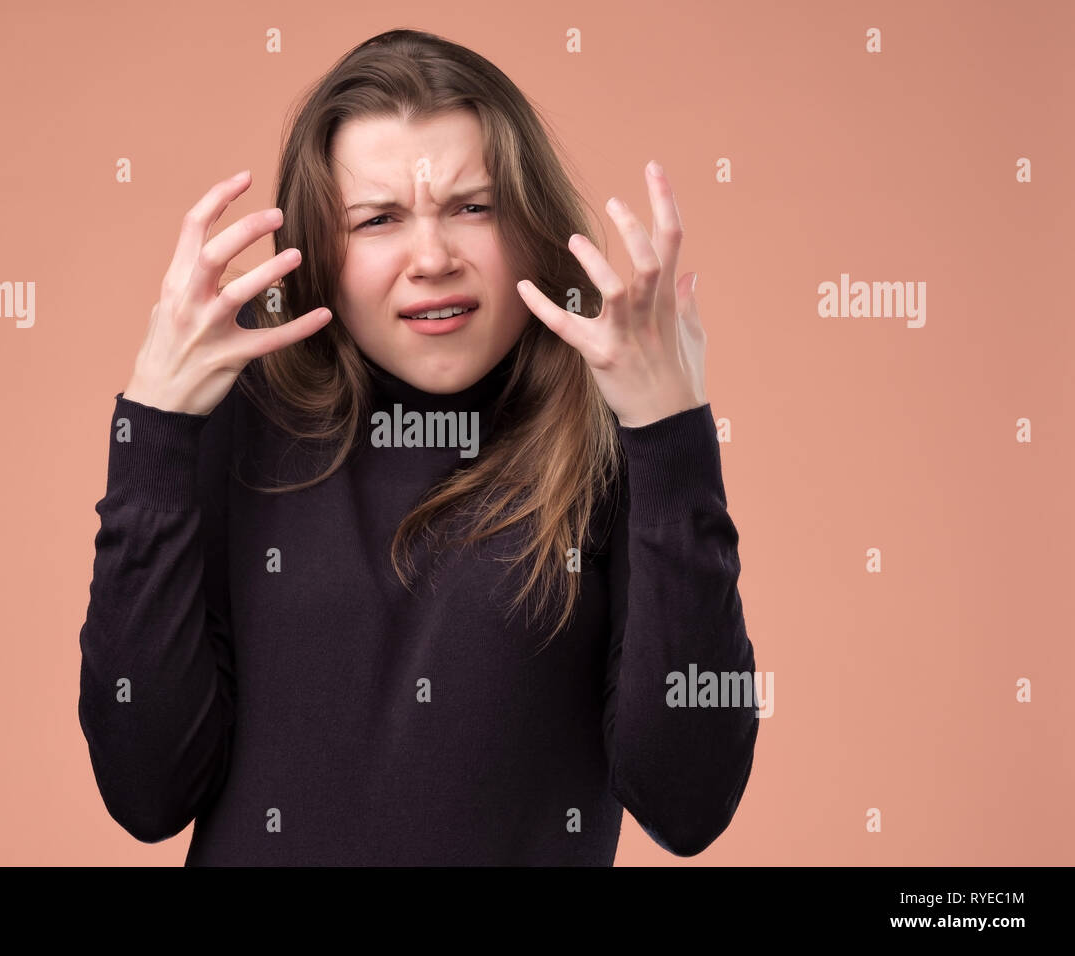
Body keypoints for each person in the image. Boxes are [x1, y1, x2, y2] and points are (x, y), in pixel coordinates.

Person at [78, 28, 758, 866]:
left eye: (473, 207)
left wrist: (670, 436)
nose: (432, 259)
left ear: (530, 221)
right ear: (320, 252)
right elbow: (146, 794)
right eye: (378, 220)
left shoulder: (613, 428)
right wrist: (153, 428)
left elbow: (687, 802)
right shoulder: (242, 403)